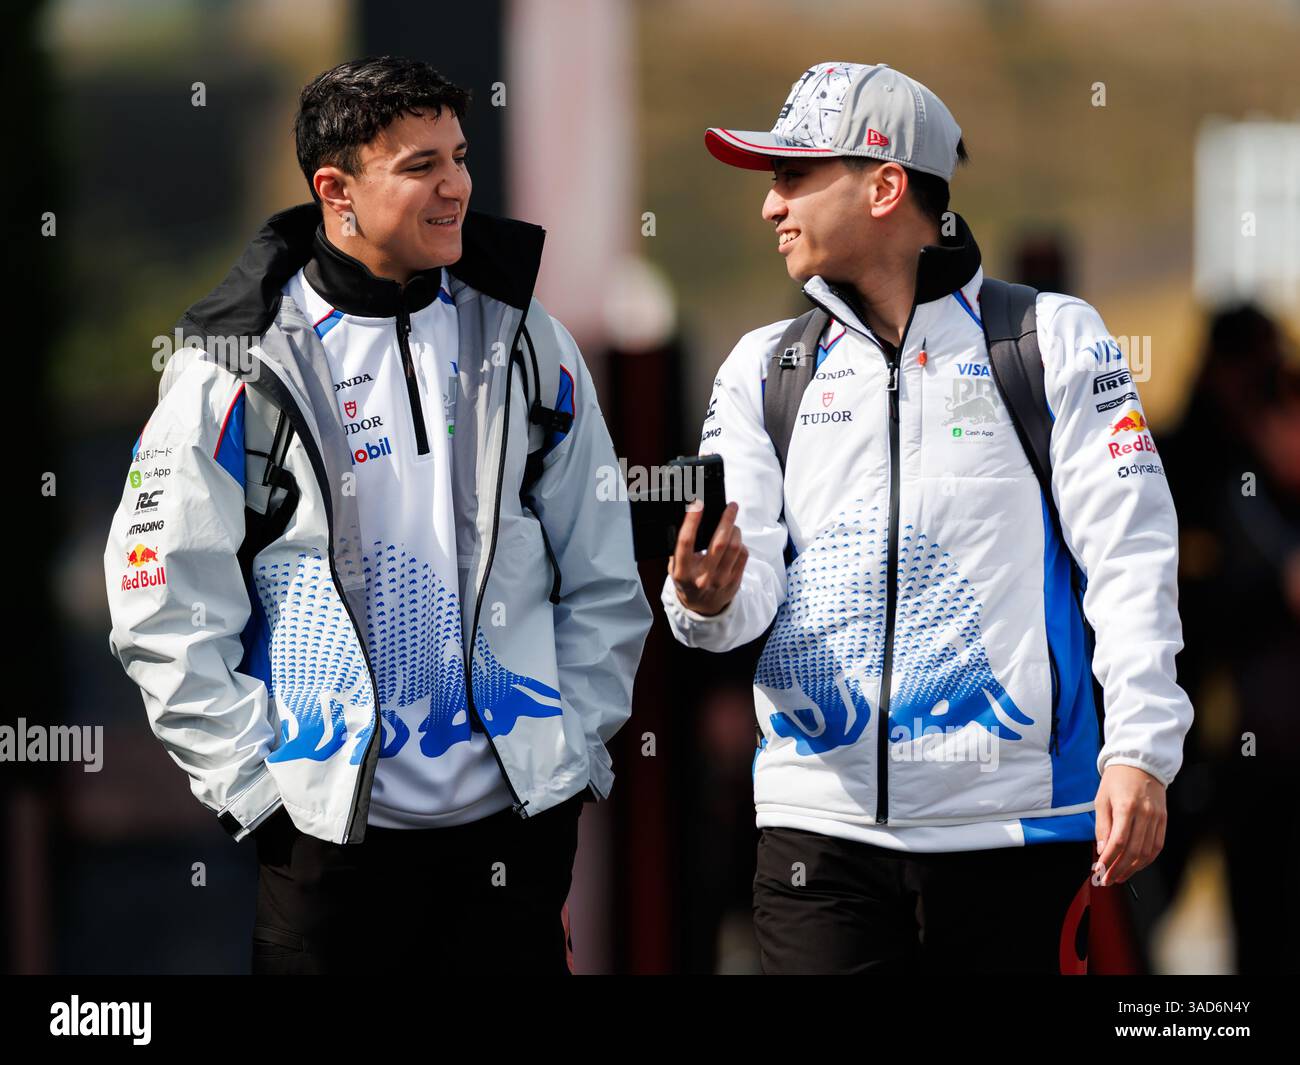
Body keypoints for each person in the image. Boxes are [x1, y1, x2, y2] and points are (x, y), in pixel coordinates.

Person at [103, 56, 652, 975]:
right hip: (325, 855)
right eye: (420, 166)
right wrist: (260, 797)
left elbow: (601, 570)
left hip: (511, 846)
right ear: (336, 190)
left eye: (461, 156)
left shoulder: (526, 336)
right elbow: (160, 602)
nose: (457, 187)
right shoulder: (230, 364)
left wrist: (571, 760)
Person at [663, 61, 1193, 974]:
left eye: (793, 176)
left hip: (1012, 825)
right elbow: (742, 609)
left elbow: (1133, 558)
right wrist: (707, 601)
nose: (769, 205)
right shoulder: (760, 367)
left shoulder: (1053, 341)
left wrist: (1141, 749)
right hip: (814, 833)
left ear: (886, 186)